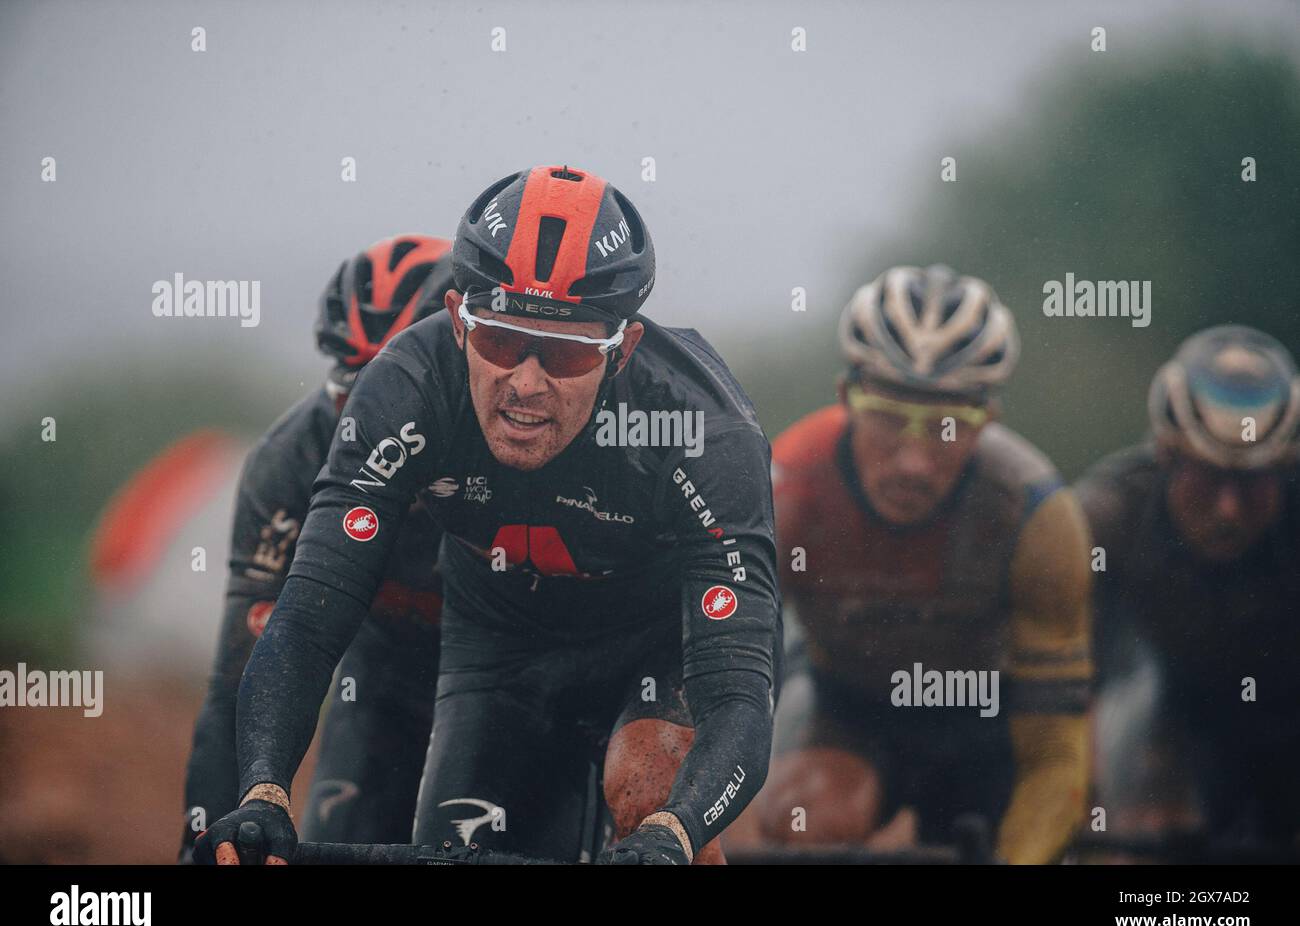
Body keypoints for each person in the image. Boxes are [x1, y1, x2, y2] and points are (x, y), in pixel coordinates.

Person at [193, 164, 781, 866]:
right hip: (502, 645)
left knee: (649, 788)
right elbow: (309, 615)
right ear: (457, 321)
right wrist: (263, 791)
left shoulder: (701, 426)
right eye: (500, 342)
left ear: (621, 351)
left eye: (563, 353)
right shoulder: (408, 385)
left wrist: (677, 832)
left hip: (663, 645)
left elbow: (739, 695)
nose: (525, 384)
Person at [729, 265, 1093, 864]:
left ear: (987, 424)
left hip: (986, 718)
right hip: (848, 710)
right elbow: (712, 670)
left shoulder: (1037, 515)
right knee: (812, 820)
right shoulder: (788, 490)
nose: (913, 463)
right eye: (890, 420)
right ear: (847, 399)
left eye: (946, 428)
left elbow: (1056, 756)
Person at [179, 236, 454, 861]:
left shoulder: (509, 439)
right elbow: (234, 688)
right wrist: (199, 842)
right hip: (381, 681)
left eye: (389, 384)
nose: (364, 414)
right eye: (346, 388)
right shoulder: (287, 461)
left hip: (517, 680)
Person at [1078, 325, 1300, 845]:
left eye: (1252, 482)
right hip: (1169, 716)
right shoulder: (1109, 515)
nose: (1228, 509)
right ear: (1168, 457)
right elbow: (1066, 681)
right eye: (1208, 477)